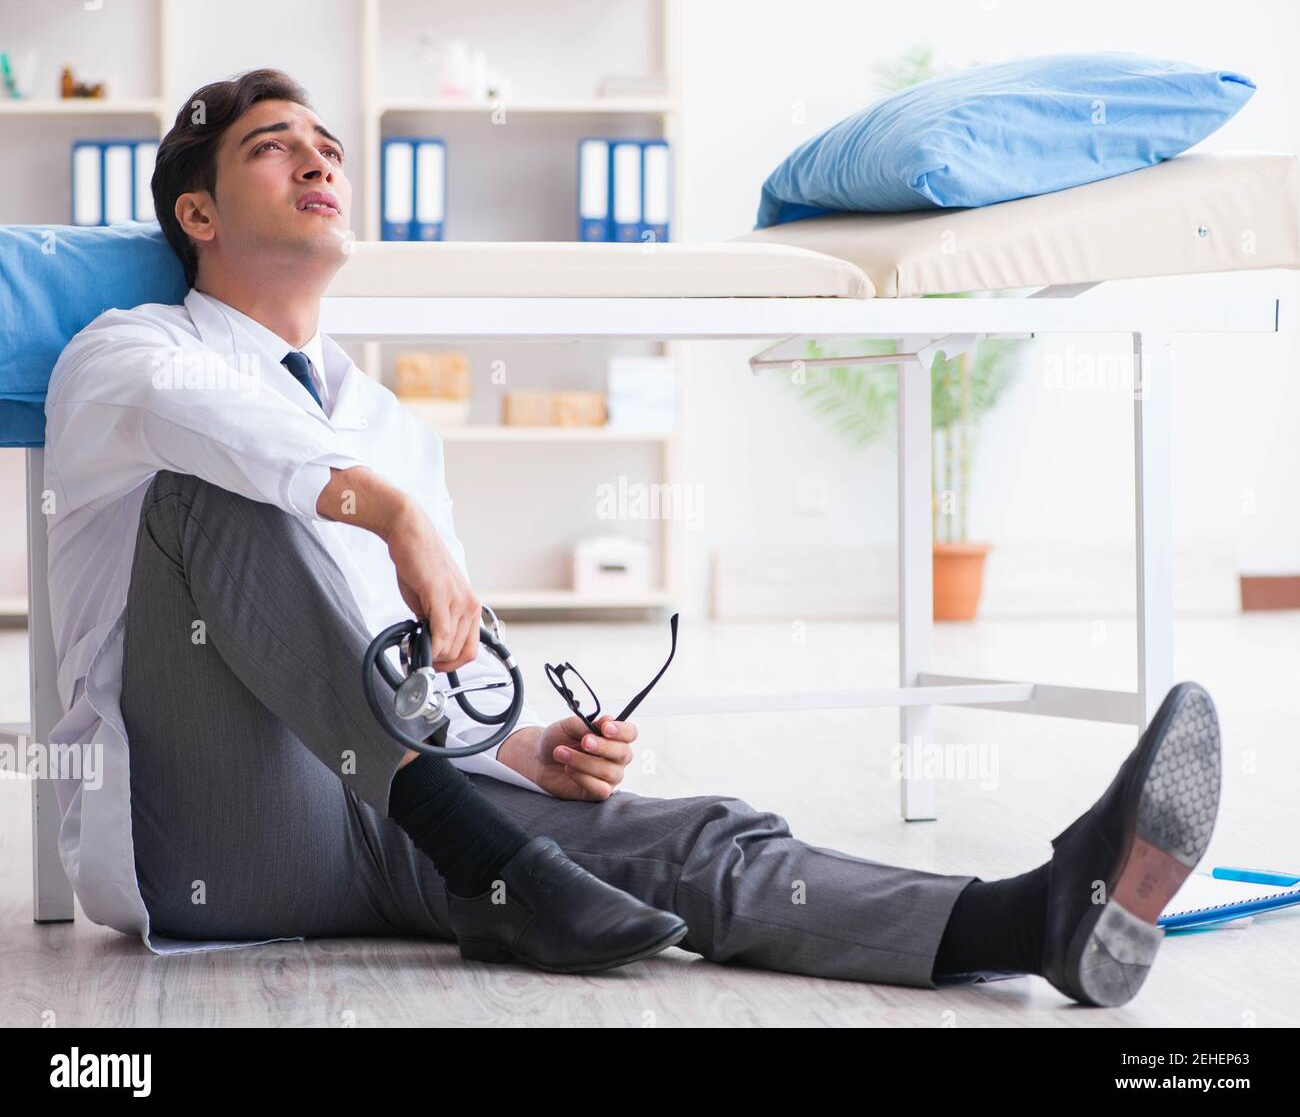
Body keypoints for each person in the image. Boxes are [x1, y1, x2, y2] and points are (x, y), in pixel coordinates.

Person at [43, 68, 1221, 1006]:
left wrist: (528, 750)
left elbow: (434, 678)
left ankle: (1029, 917)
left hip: (406, 817)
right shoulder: (129, 354)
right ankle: (492, 857)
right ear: (196, 212)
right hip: (211, 835)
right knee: (223, 493)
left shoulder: (390, 422)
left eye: (327, 146)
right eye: (272, 146)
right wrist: (388, 512)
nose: (318, 159)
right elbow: (232, 441)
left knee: (689, 838)